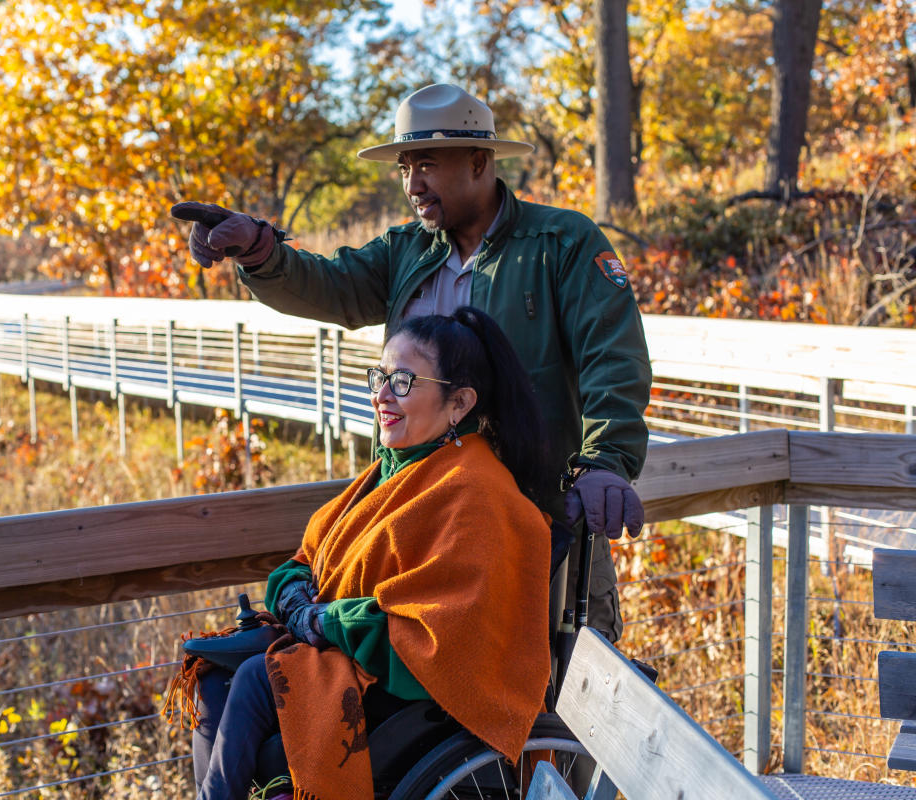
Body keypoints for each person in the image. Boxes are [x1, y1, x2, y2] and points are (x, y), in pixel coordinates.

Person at [173, 83, 651, 643]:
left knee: (558, 669)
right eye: (404, 168)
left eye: (426, 165)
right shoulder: (406, 250)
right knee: (431, 658)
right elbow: (331, 286)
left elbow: (612, 358)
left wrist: (604, 462)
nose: (412, 185)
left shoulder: (559, 244)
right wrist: (259, 250)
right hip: (421, 520)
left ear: (479, 162)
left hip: (537, 518)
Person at [171, 306, 554, 800]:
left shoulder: (477, 493)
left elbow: (440, 634)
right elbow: (308, 558)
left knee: (253, 678)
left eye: (402, 381)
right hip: (350, 662)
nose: (381, 396)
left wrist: (322, 620)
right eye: (379, 377)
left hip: (405, 694)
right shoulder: (397, 467)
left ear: (459, 402)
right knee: (212, 680)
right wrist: (296, 601)